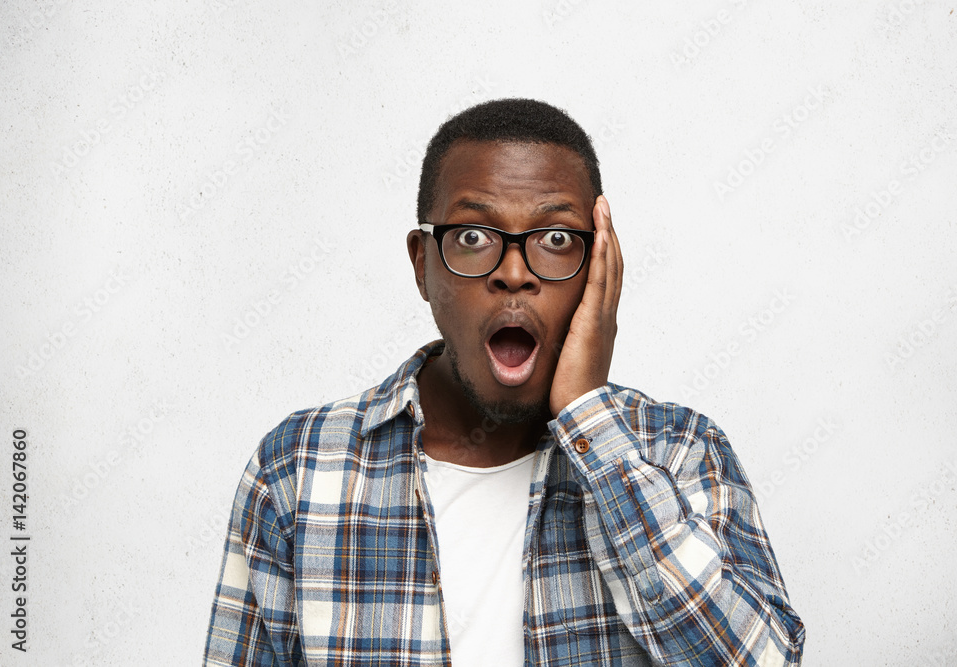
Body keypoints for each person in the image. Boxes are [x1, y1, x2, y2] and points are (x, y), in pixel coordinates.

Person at [204, 98, 805, 666]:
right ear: (422, 264)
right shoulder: (298, 469)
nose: (514, 273)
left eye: (556, 239)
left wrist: (589, 418)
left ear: (599, 266)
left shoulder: (678, 452)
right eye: (473, 237)